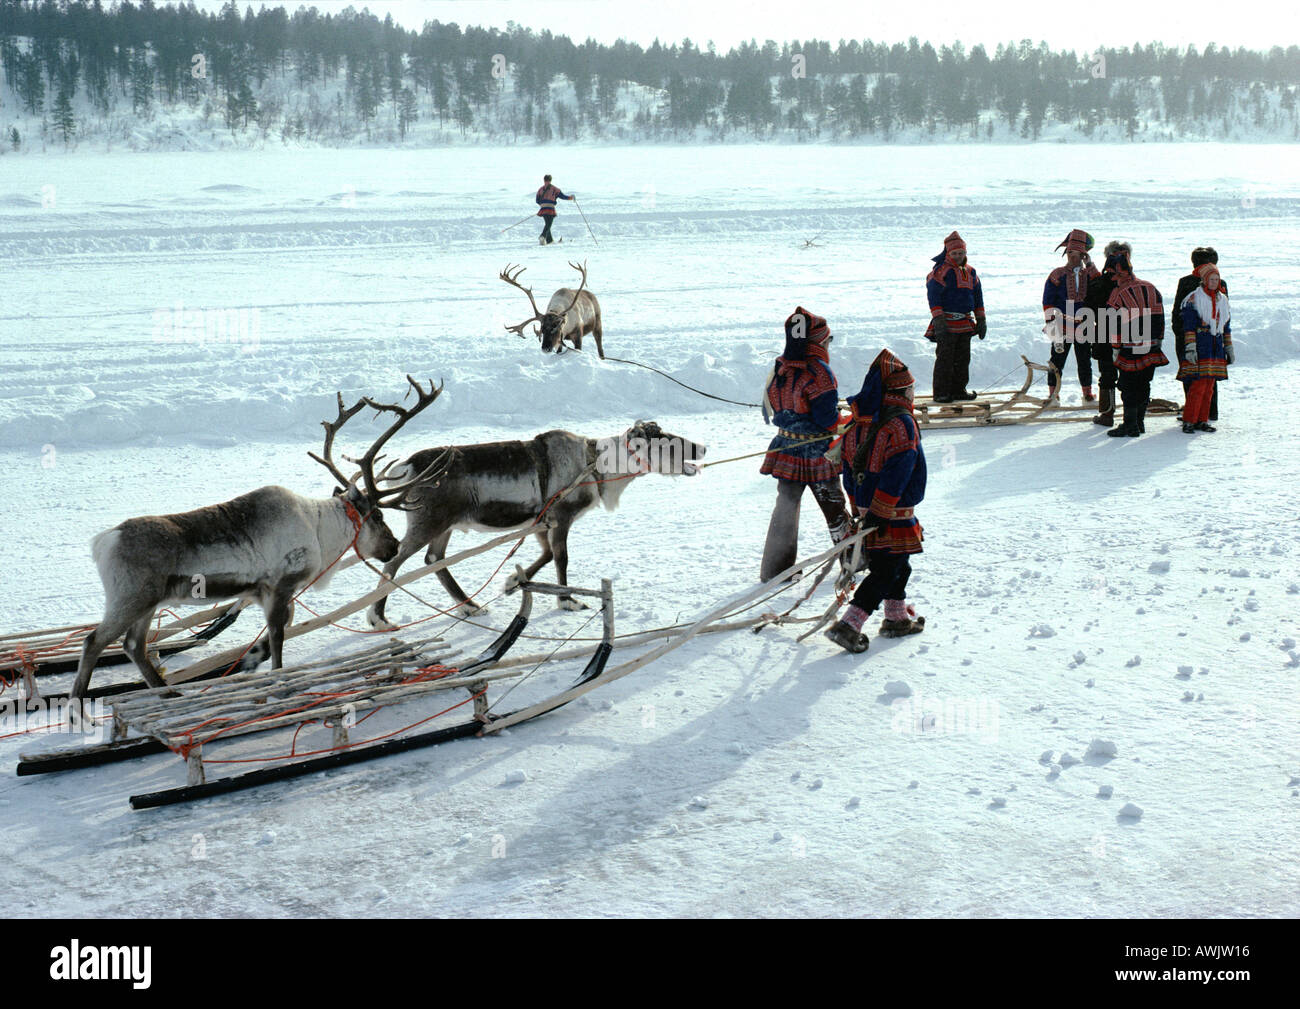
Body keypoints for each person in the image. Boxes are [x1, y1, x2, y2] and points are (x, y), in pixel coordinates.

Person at [825, 349, 927, 654]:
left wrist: (860, 509)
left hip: (874, 512)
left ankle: (896, 619)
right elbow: (898, 472)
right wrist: (880, 512)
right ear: (897, 391)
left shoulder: (858, 425)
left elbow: (848, 471)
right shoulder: (901, 424)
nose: (912, 393)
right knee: (886, 572)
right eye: (910, 389)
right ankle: (849, 625)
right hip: (891, 513)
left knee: (899, 566)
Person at [759, 307, 852, 582]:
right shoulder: (819, 372)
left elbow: (772, 408)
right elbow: (827, 419)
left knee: (786, 508)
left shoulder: (779, 367)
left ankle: (775, 570)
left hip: (785, 449)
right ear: (819, 342)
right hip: (817, 453)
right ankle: (853, 561)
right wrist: (847, 422)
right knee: (834, 507)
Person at [1103, 246, 1168, 438]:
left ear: (1118, 272)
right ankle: (1140, 422)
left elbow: (1113, 324)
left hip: (1130, 348)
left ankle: (1129, 425)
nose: (1112, 278)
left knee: (1128, 386)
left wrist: (1115, 348)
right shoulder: (1151, 287)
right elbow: (1161, 317)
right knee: (1144, 384)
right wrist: (1159, 340)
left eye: (1112, 274)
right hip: (1152, 345)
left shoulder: (1118, 294)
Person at [925, 231, 987, 403]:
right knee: (945, 359)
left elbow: (978, 297)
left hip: (965, 323)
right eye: (954, 253)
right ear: (947, 253)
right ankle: (941, 393)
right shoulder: (940, 272)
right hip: (946, 322)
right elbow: (933, 297)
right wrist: (939, 320)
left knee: (962, 359)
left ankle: (959, 390)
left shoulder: (971, 272)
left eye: (961, 253)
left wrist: (981, 319)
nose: (958, 256)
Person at [1042, 229, 1099, 402]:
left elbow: (1100, 287)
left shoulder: (1089, 274)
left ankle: (1087, 393)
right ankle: (1053, 394)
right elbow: (1048, 300)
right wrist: (1051, 324)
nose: (1071, 256)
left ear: (1083, 255)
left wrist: (1091, 266)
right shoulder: (1057, 274)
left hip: (1084, 324)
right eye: (1069, 253)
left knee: (1084, 361)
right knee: (1056, 361)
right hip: (1061, 325)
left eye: (1076, 253)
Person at [1173, 247, 1229, 423]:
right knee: (1210, 375)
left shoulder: (1185, 282)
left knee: (1191, 376)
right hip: (1214, 336)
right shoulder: (1220, 282)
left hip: (1189, 335)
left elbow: (1177, 312)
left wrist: (1180, 335)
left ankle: (1192, 412)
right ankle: (1210, 412)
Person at [535, 174, 574, 245]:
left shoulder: (540, 189)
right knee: (549, 224)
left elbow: (537, 200)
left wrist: (543, 205)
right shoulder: (554, 189)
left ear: (544, 180)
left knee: (547, 224)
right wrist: (570, 198)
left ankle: (549, 241)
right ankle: (542, 236)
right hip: (550, 209)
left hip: (543, 209)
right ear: (550, 180)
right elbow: (562, 196)